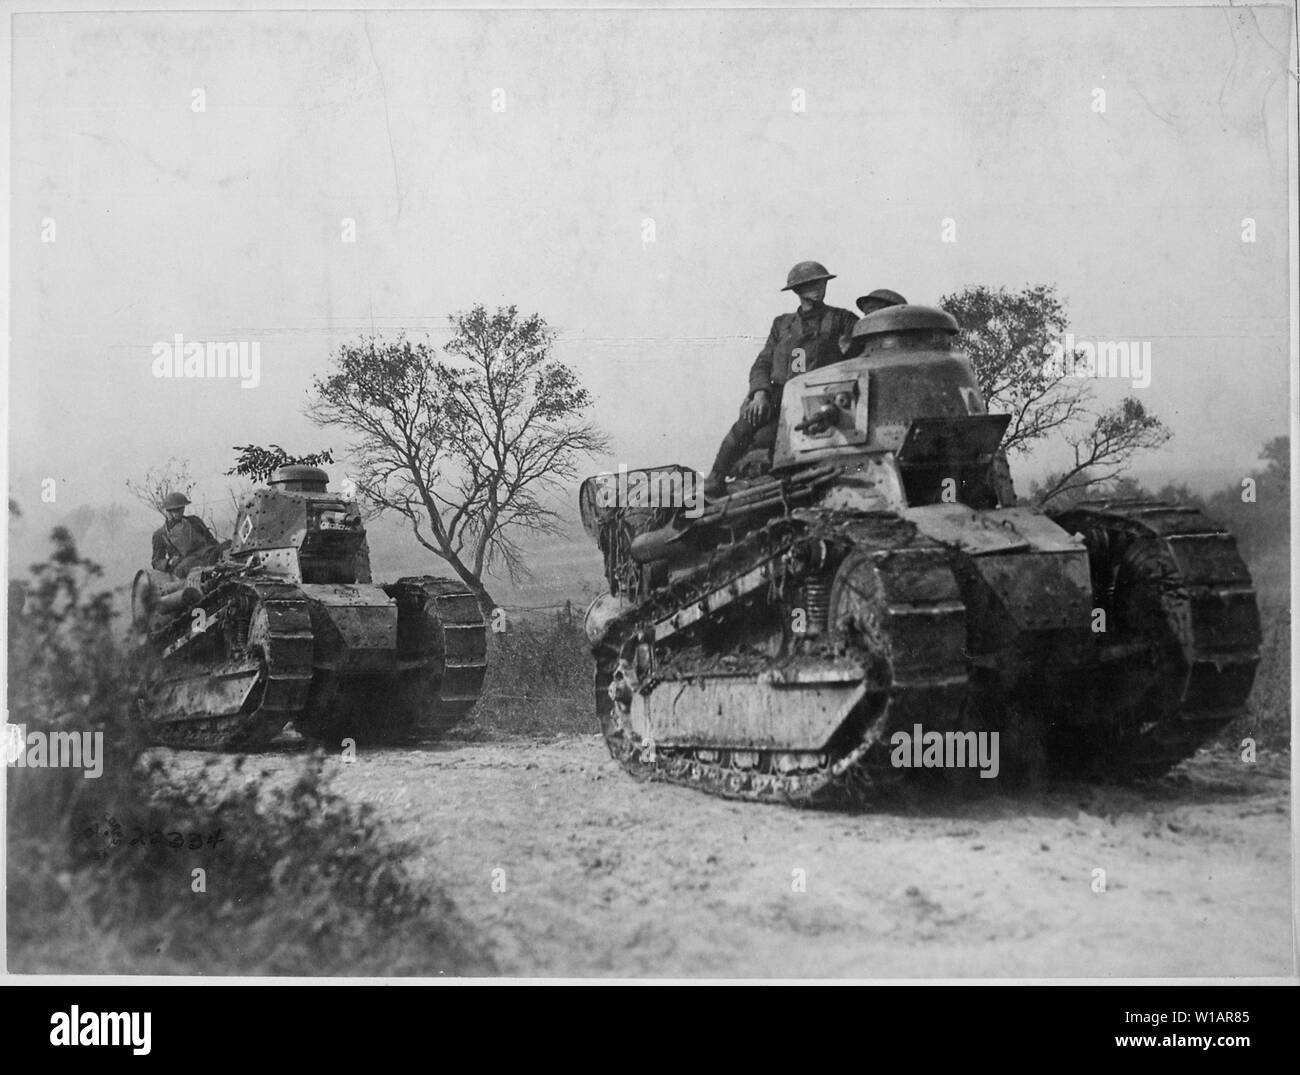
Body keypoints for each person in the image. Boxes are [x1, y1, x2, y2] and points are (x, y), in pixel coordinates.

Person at [703, 261, 858, 497]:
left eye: (821, 282)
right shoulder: (782, 324)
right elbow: (763, 362)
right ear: (797, 290)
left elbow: (860, 348)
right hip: (781, 393)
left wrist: (851, 345)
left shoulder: (841, 318)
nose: (818, 288)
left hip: (822, 393)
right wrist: (760, 393)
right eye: (809, 285)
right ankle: (716, 476)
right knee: (749, 422)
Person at [151, 492, 222, 577]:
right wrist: (169, 562)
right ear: (168, 511)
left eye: (181, 508)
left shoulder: (194, 521)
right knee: (188, 567)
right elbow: (156, 561)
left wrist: (219, 550)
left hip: (207, 554)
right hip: (186, 563)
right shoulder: (161, 534)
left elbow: (211, 540)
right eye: (174, 510)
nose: (178, 512)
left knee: (228, 546)